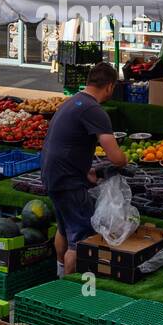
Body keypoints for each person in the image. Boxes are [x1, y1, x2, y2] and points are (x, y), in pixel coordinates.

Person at [40, 62, 128, 274]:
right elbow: (115, 156)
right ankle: (68, 293)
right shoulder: (94, 110)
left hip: (52, 175)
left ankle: (60, 276)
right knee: (80, 239)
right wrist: (124, 160)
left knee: (63, 228)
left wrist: (85, 169)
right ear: (109, 86)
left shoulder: (73, 102)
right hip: (68, 180)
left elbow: (66, 144)